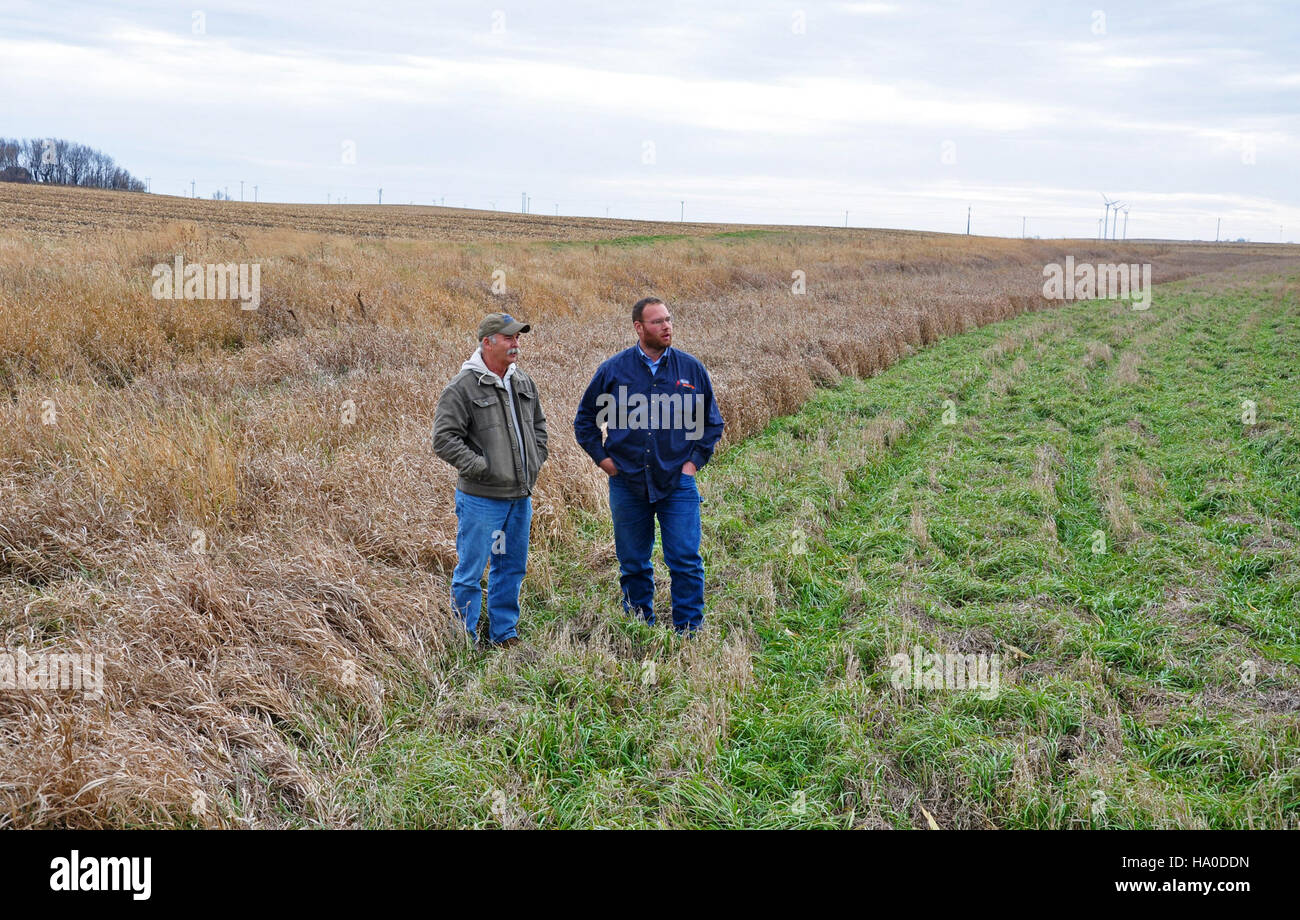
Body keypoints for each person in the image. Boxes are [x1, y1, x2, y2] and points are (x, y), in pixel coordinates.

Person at [573, 297, 725, 634]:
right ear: (639, 328)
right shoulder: (614, 371)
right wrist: (606, 462)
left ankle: (689, 631)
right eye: (657, 322)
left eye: (669, 319)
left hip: (677, 483)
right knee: (633, 564)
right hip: (627, 483)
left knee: (685, 560)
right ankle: (639, 627)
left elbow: (711, 424)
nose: (666, 326)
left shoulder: (690, 370)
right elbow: (585, 421)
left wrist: (692, 465)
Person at [433, 313, 548, 648]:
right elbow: (443, 439)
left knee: (510, 566)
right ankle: (464, 639)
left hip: (519, 496)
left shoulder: (522, 381)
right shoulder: (462, 387)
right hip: (482, 499)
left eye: (517, 338)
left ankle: (504, 633)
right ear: (487, 342)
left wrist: (535, 459)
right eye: (508, 338)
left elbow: (539, 427)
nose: (515, 344)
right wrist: (482, 467)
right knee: (470, 572)